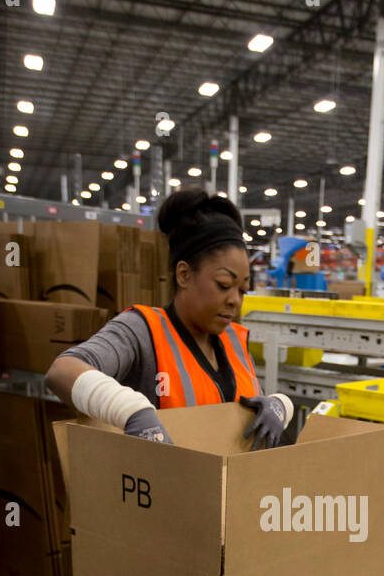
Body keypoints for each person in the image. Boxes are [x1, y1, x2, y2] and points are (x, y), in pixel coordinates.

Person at [45, 188, 293, 448]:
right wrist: (131, 412)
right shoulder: (142, 331)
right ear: (184, 275)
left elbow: (249, 407)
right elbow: (62, 371)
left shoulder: (233, 339)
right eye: (223, 284)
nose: (235, 300)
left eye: (242, 289)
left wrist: (278, 404)